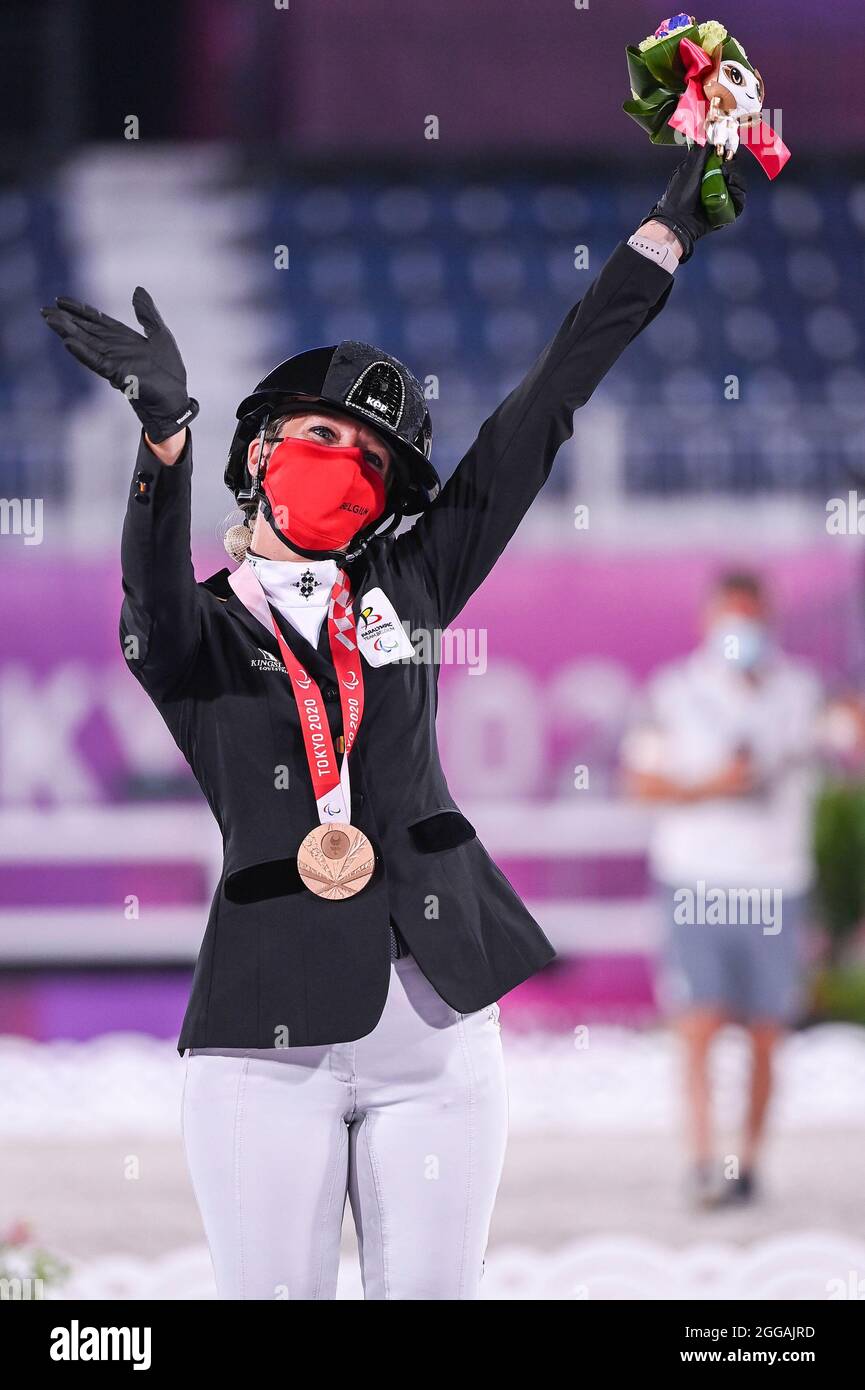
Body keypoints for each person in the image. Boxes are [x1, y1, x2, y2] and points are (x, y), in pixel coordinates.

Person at [42, 145, 745, 1298]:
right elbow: (149, 592)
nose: (350, 468)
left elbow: (541, 411)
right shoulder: (197, 637)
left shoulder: (407, 590)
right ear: (257, 451)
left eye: (373, 462)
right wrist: (161, 444)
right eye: (326, 439)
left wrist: (659, 238)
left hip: (440, 1035)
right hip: (269, 1044)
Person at [622, 571, 824, 1208]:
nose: (743, 633)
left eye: (753, 619)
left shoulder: (803, 691)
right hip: (696, 877)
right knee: (700, 1023)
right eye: (732, 618)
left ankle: (750, 1163)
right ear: (708, 621)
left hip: (776, 879)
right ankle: (704, 1158)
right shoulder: (674, 692)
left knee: (768, 1029)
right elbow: (641, 786)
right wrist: (714, 785)